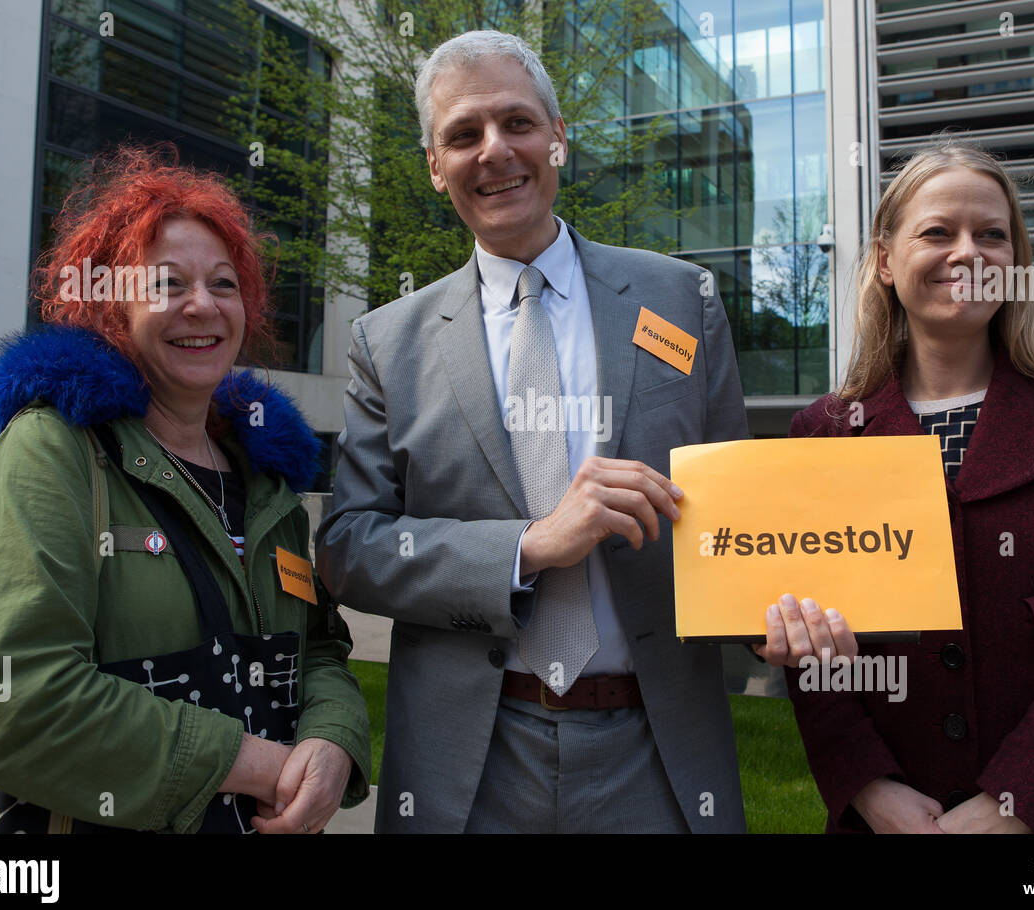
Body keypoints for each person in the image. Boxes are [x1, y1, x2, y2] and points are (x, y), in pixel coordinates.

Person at [315, 29, 849, 834]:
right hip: (470, 763)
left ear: (558, 137)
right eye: (464, 134)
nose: (495, 150)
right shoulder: (387, 343)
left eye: (517, 123)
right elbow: (351, 545)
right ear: (434, 165)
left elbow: (735, 521)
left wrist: (771, 620)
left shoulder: (681, 301)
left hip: (656, 751)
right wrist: (528, 546)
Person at [0, 146, 370, 833]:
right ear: (108, 309)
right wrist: (253, 762)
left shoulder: (267, 478)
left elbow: (317, 650)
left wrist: (334, 738)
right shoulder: (54, 451)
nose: (203, 305)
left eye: (224, 285)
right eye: (167, 284)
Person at [783, 140, 1034, 834]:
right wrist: (869, 787)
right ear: (884, 260)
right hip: (893, 818)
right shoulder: (824, 431)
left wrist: (1014, 804)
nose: (967, 253)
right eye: (937, 231)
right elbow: (808, 646)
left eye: (992, 234)